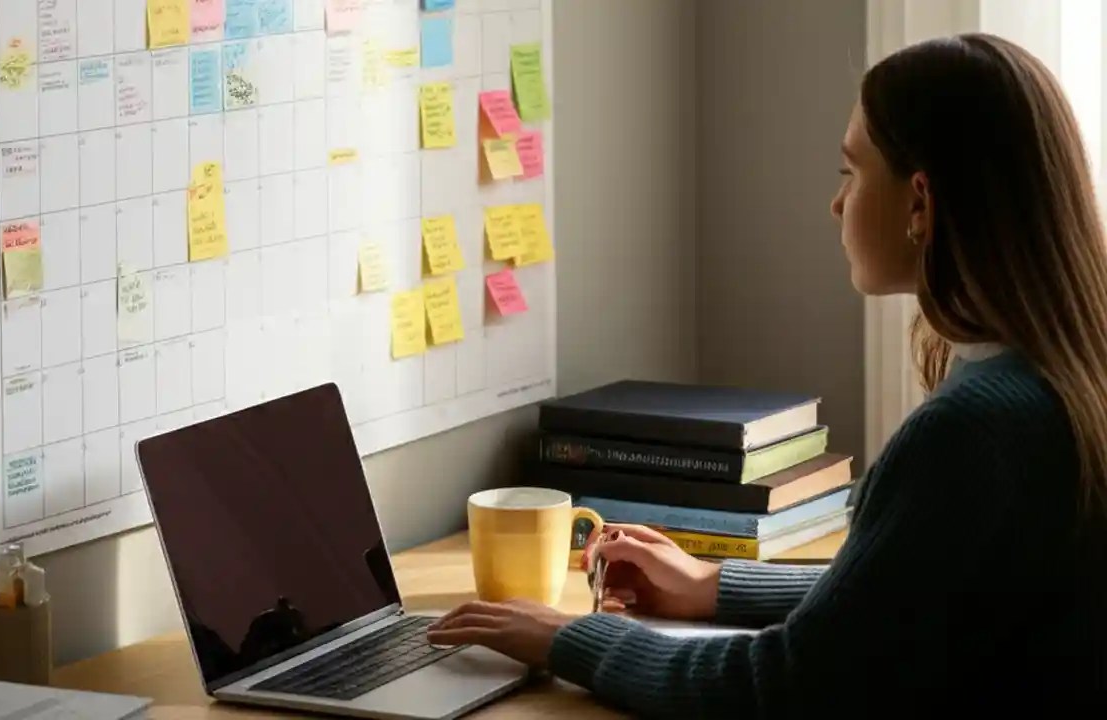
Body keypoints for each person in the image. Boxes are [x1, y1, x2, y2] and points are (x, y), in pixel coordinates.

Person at [427, 32, 1107, 714]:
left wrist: (572, 637)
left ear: (920, 203)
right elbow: (892, 595)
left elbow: (784, 684)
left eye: (850, 173)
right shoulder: (1052, 376)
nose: (836, 205)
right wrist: (711, 585)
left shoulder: (973, 431)